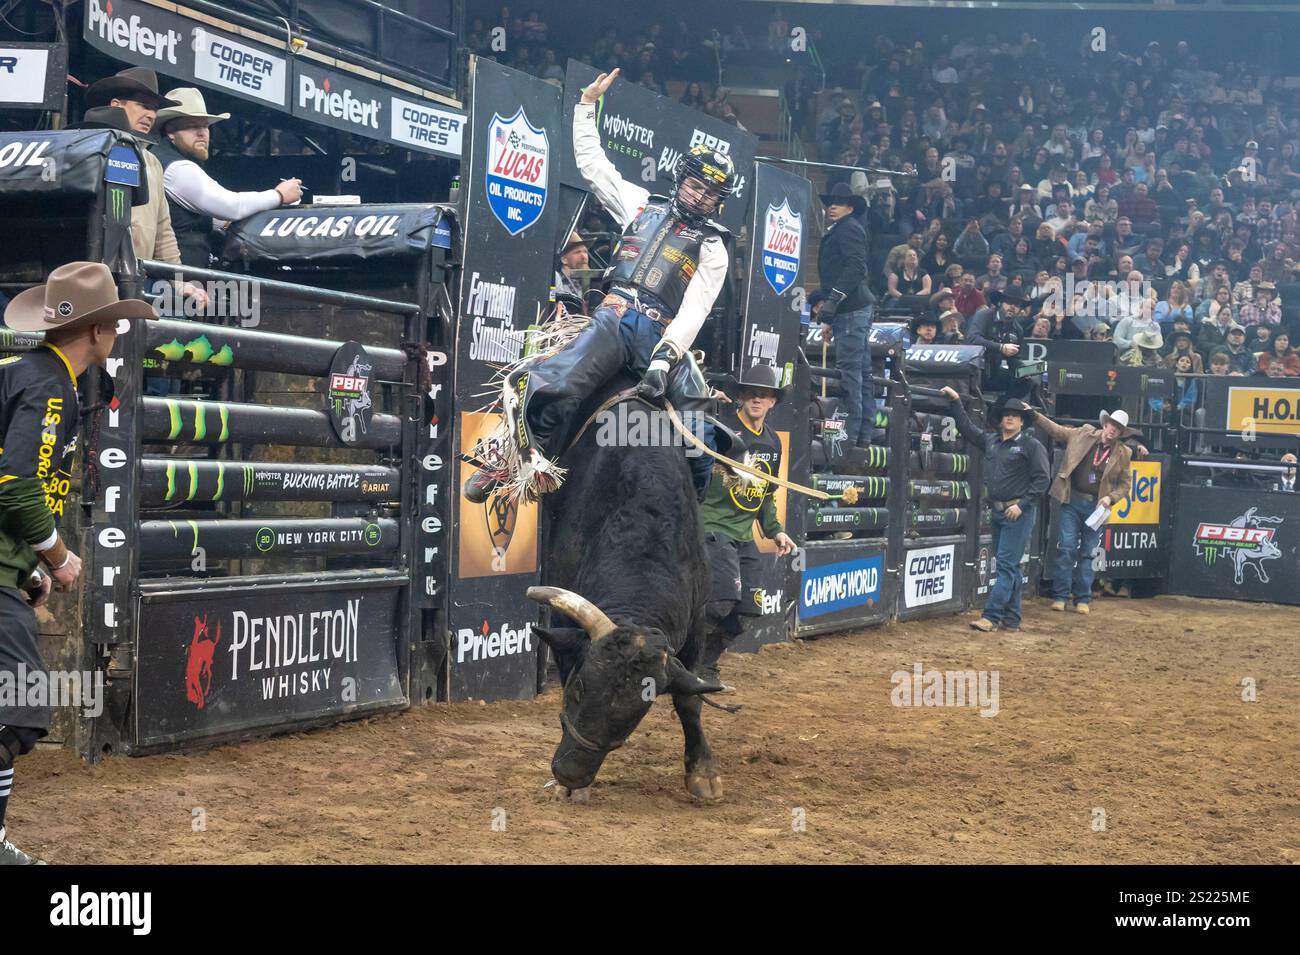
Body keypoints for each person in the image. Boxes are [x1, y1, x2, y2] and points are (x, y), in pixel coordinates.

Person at [463, 69, 738, 503]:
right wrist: (586, 105)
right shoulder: (641, 204)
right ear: (681, 180)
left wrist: (664, 362)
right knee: (555, 382)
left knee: (699, 427)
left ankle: (693, 506)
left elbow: (694, 312)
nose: (701, 197)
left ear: (719, 202)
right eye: (696, 186)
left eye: (711, 194)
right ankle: (510, 461)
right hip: (616, 316)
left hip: (663, 335)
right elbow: (592, 164)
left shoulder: (714, 248)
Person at [0, 262, 157, 864]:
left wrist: (27, 568)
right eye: (112, 321)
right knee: (19, 709)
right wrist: (60, 557)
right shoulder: (48, 384)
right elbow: (15, 484)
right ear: (96, 330)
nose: (116, 330)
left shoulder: (25, 375)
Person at [697, 365, 796, 682]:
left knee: (749, 609)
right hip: (711, 525)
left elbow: (766, 495)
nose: (757, 399)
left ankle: (705, 664)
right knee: (721, 600)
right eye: (751, 393)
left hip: (743, 533)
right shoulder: (719, 429)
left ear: (772, 402)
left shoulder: (772, 443)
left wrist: (776, 530)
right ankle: (686, 659)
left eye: (763, 395)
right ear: (740, 397)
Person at [153, 88, 303, 268]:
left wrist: (222, 222)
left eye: (205, 126)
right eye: (192, 126)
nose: (202, 133)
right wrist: (278, 195)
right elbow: (231, 206)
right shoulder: (178, 168)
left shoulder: (168, 160)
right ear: (170, 131)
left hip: (177, 277)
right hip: (176, 279)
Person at [940, 390, 1050, 633]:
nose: (1009, 419)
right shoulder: (992, 441)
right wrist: (956, 402)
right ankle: (1012, 619)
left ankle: (991, 616)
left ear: (1022, 421)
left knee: (1006, 566)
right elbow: (968, 429)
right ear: (1001, 420)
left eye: (1015, 416)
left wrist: (1021, 505)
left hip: (1016, 511)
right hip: (1001, 510)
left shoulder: (1032, 446)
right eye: (1006, 415)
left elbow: (1042, 480)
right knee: (1008, 565)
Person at [1033, 408, 1140, 614]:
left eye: (1117, 429)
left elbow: (1125, 484)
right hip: (1073, 500)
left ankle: (1082, 597)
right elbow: (1056, 430)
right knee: (1066, 548)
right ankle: (1062, 596)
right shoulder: (1083, 434)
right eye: (1111, 425)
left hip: (1097, 507)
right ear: (1105, 424)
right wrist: (1036, 416)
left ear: (1121, 433)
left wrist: (1111, 497)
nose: (1112, 430)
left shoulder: (1123, 453)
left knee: (1089, 553)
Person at [815, 182, 876, 449]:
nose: (832, 206)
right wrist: (832, 311)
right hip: (851, 309)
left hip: (852, 308)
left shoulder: (848, 228)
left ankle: (851, 435)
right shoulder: (845, 228)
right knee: (860, 371)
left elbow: (855, 266)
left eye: (839, 202)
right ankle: (862, 433)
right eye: (830, 202)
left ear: (850, 207)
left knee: (851, 371)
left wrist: (833, 301)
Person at [553, 231, 589, 304]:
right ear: (564, 259)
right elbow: (551, 303)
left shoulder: (584, 282)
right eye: (578, 252)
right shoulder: (554, 279)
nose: (584, 257)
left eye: (585, 252)